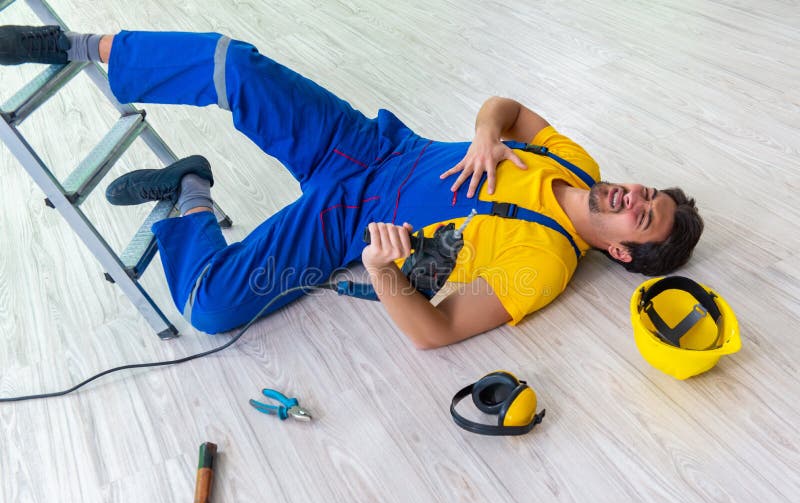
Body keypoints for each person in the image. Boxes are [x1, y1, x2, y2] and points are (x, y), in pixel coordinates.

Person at [0, 25, 703, 348]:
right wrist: (488, 132)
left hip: (347, 220)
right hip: (372, 148)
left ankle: (189, 190)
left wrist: (383, 272)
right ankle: (74, 46)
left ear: (619, 252)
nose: (635, 197)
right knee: (236, 65)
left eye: (643, 218)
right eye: (650, 194)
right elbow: (508, 108)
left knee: (209, 307)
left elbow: (437, 331)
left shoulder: (544, 265)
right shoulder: (577, 163)